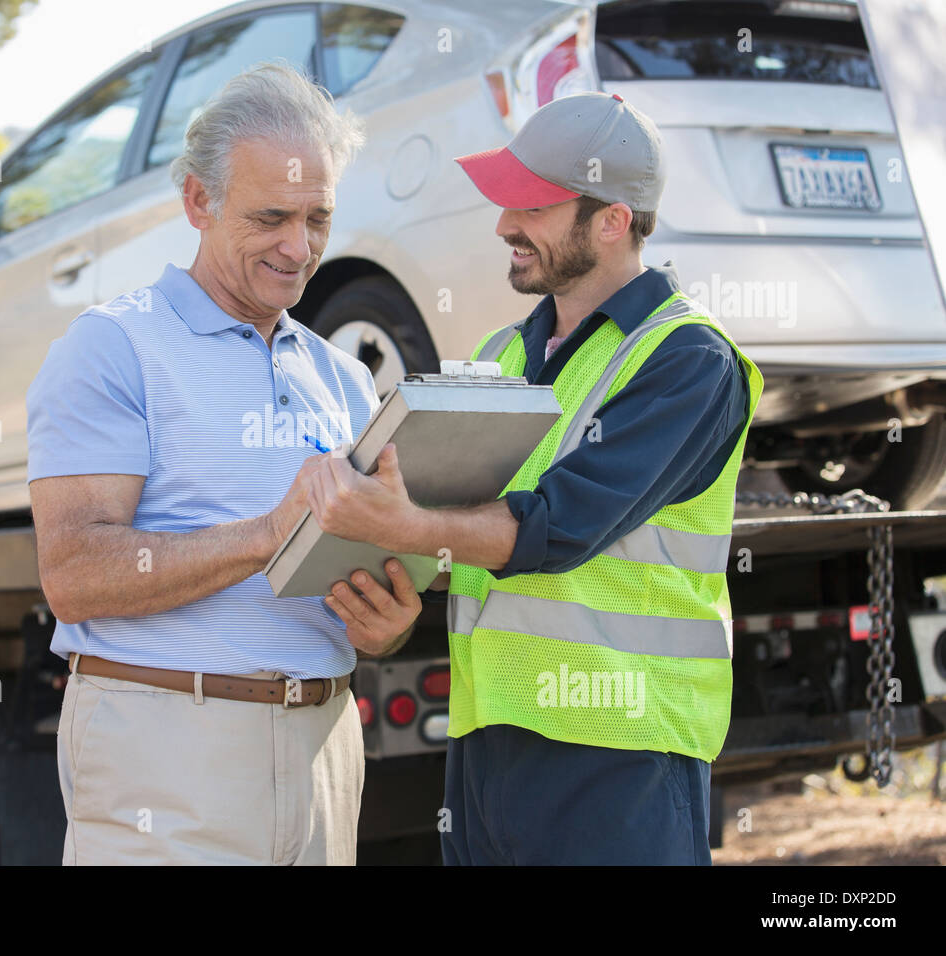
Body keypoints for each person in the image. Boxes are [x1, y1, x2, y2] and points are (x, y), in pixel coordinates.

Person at [301, 92, 763, 864]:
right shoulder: (508, 354)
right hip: (488, 747)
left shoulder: (689, 361)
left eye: (533, 205)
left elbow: (559, 524)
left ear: (612, 220)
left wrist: (403, 525)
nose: (504, 225)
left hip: (621, 750)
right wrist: (399, 596)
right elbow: (460, 543)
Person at [26, 62, 421, 866]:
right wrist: (266, 536)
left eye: (319, 218)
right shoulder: (115, 346)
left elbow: (358, 581)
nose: (298, 246)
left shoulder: (343, 377)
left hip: (326, 747)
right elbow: (72, 571)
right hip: (165, 755)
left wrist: (390, 620)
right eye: (271, 216)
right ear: (198, 202)